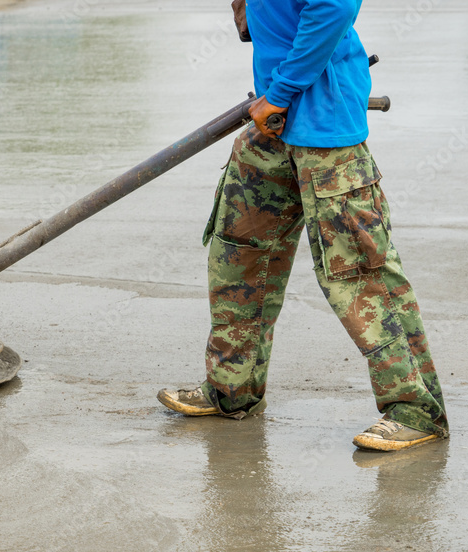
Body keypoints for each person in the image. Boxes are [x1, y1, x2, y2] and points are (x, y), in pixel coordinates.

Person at [157, 0, 449, 452]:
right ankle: (232, 390)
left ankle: (416, 410)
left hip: (322, 127)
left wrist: (282, 90)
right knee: (239, 255)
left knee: (359, 272)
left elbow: (333, 7)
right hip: (270, 125)